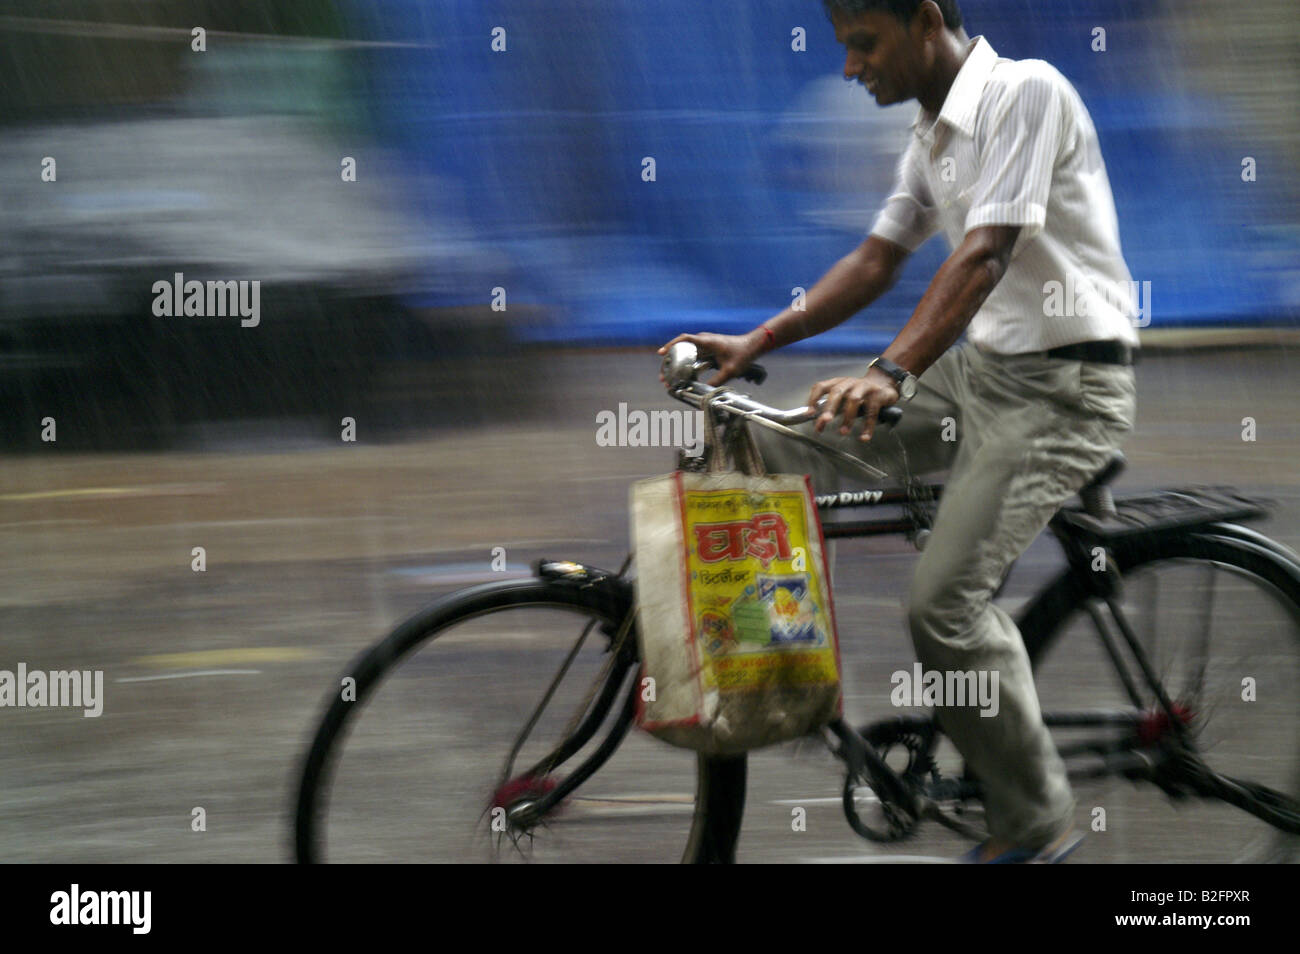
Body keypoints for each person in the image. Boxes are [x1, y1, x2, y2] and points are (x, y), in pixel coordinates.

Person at [658, 0, 1139, 863]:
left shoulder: (1027, 93)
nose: (850, 67)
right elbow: (876, 260)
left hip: (1066, 386)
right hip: (980, 373)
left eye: (862, 44)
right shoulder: (929, 138)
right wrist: (757, 340)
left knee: (942, 612)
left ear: (925, 21)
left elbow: (985, 253)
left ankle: (1036, 825)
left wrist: (889, 372)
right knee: (769, 444)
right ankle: (779, 675)